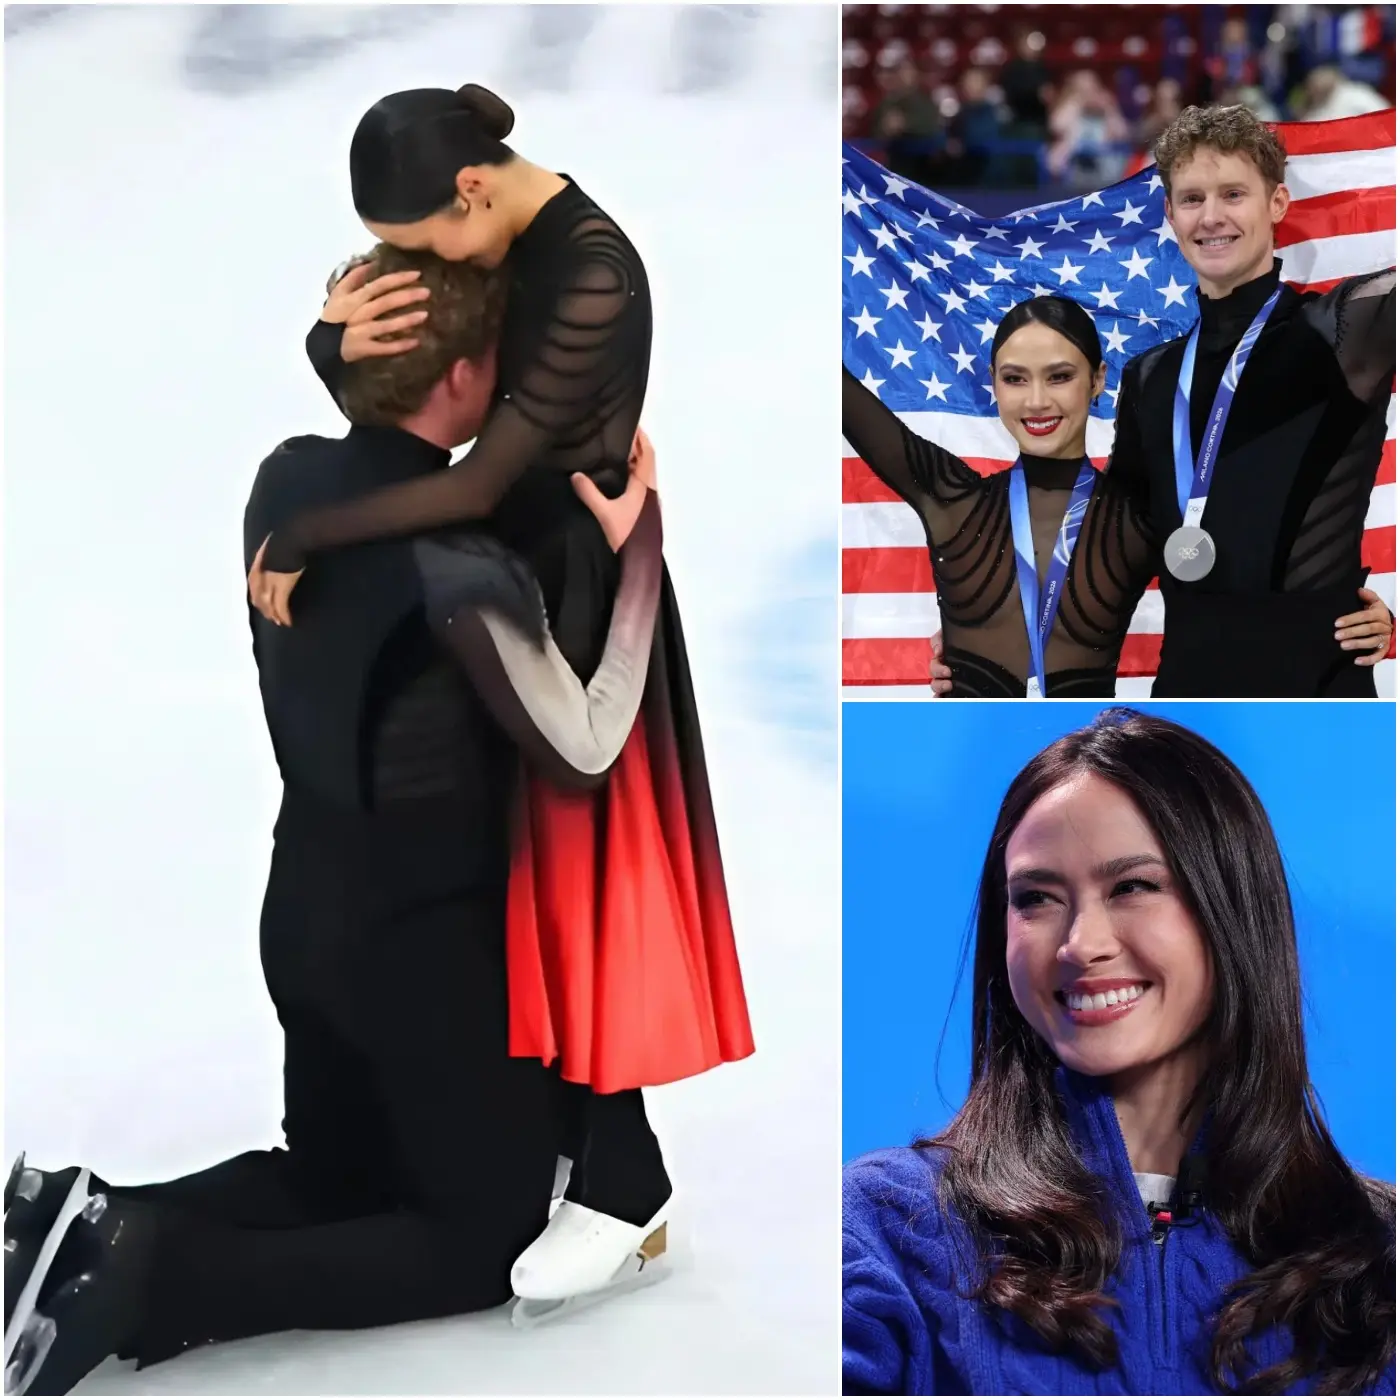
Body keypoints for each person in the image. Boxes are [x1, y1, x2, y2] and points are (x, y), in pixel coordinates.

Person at [1, 250, 669, 1398]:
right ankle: (149, 1270)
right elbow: (587, 738)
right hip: (425, 950)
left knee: (339, 1167)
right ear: (464, 375)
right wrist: (639, 544)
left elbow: (377, 436)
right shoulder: (463, 570)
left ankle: (68, 1217)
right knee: (473, 1237)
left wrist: (339, 354)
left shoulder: (287, 484)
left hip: (304, 903)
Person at [249, 84, 752, 1305]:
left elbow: (480, 481)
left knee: (572, 887)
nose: (413, 266)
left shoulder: (590, 273)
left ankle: (625, 1178)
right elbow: (431, 403)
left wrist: (309, 529)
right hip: (483, 577)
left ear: (471, 192)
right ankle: (560, 1136)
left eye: (421, 246)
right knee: (508, 894)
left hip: (571, 581)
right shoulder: (503, 243)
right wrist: (337, 348)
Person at [843, 708, 1396, 1395]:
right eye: (1036, 898)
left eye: (1132, 886)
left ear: (1232, 907)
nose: (1081, 943)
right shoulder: (888, 1229)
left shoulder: (1377, 1252)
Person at [925, 104, 1395, 698]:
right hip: (1187, 701)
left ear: (1276, 204)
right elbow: (1108, 539)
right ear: (1169, 214)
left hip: (1320, 694)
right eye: (1193, 199)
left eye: (1233, 194)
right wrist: (979, 637)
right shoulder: (1153, 376)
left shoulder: (1345, 331)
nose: (1212, 217)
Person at [844, 295, 1159, 697]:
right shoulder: (953, 500)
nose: (1036, 401)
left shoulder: (1138, 516)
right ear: (993, 381)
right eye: (1015, 378)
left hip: (1073, 753)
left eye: (1059, 376)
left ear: (1097, 379)